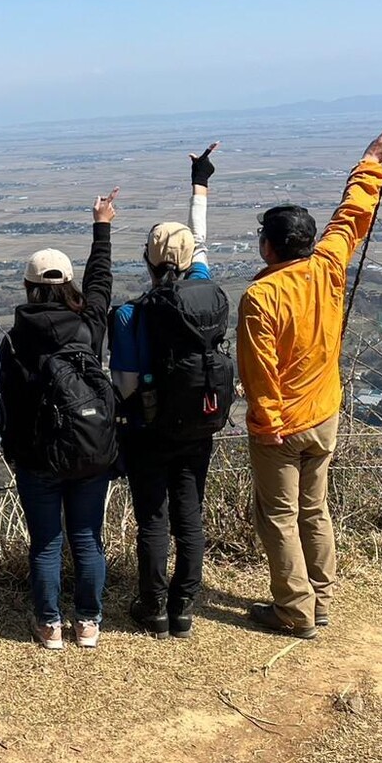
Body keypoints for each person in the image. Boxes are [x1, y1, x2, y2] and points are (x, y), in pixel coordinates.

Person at [237, 123, 382, 639]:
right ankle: (320, 600)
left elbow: (259, 371)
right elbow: (352, 216)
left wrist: (268, 422)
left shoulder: (261, 297)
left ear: (268, 247)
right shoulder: (327, 265)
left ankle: (295, 611)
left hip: (281, 428)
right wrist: (372, 161)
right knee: (314, 510)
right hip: (325, 414)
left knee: (279, 518)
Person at [110, 145, 233, 640]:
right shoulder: (205, 295)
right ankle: (184, 609)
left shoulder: (129, 315)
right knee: (190, 513)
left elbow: (125, 384)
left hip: (148, 429)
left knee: (153, 518)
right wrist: (199, 184)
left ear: (148, 259)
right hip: (199, 421)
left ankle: (153, 607)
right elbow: (199, 243)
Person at [0, 191, 119, 650]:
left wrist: (13, 450)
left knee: (47, 543)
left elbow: (8, 402)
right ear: (69, 284)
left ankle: (49, 625)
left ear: (29, 287)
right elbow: (102, 282)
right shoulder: (89, 326)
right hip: (91, 451)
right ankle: (87, 622)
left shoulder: (14, 341)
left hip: (36, 457)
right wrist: (101, 225)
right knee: (88, 539)